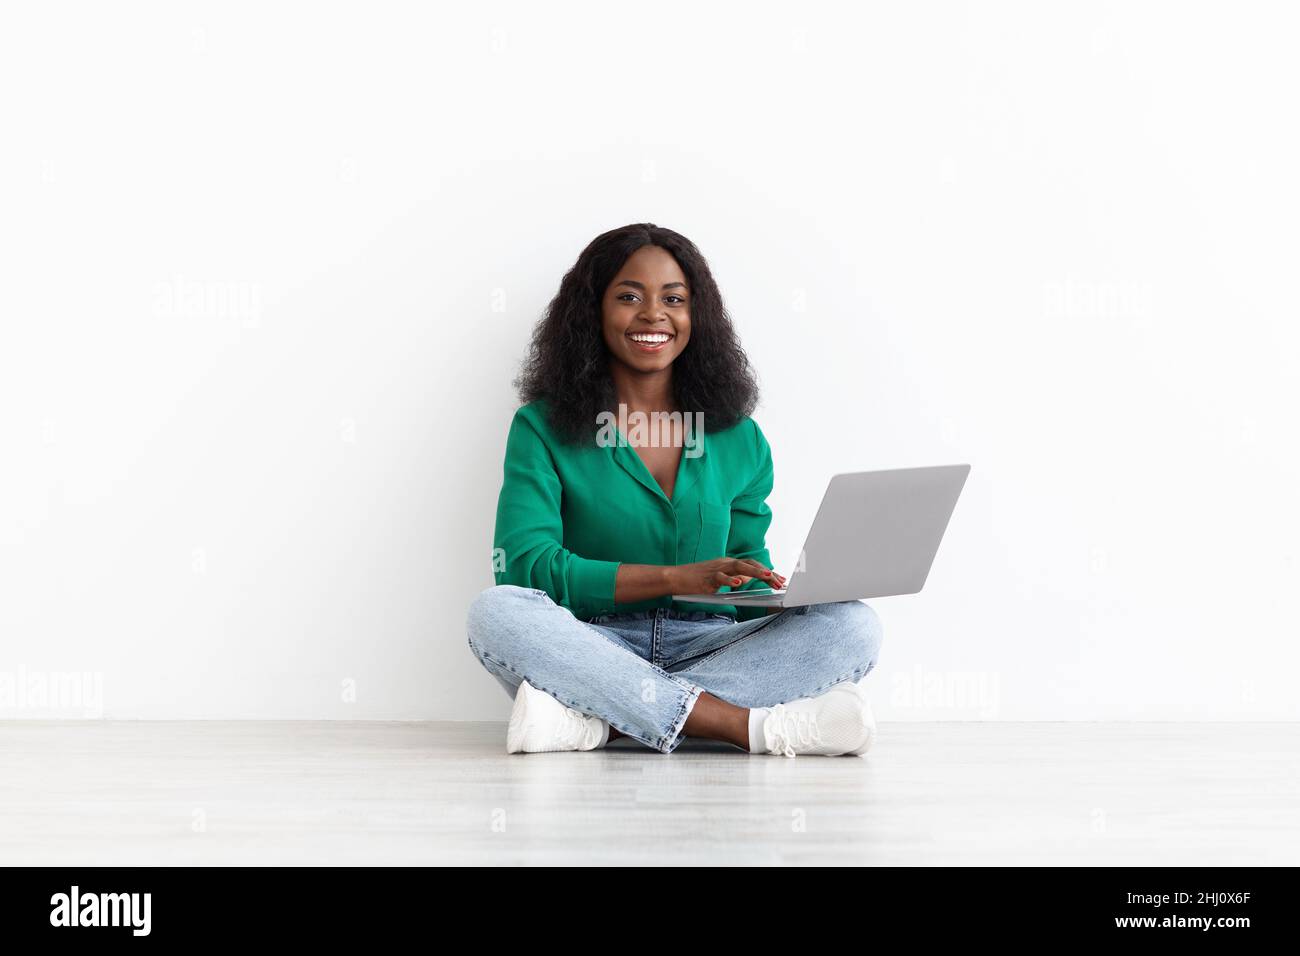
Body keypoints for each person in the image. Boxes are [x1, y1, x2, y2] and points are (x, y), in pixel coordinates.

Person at [466, 223, 883, 757]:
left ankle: (599, 723)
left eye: (674, 299)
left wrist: (790, 597)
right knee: (496, 612)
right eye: (628, 297)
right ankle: (748, 727)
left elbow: (746, 577)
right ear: (592, 311)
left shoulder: (740, 438)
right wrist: (673, 578)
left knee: (853, 625)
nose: (652, 314)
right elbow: (523, 567)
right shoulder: (541, 427)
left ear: (696, 316)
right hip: (594, 643)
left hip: (710, 643)